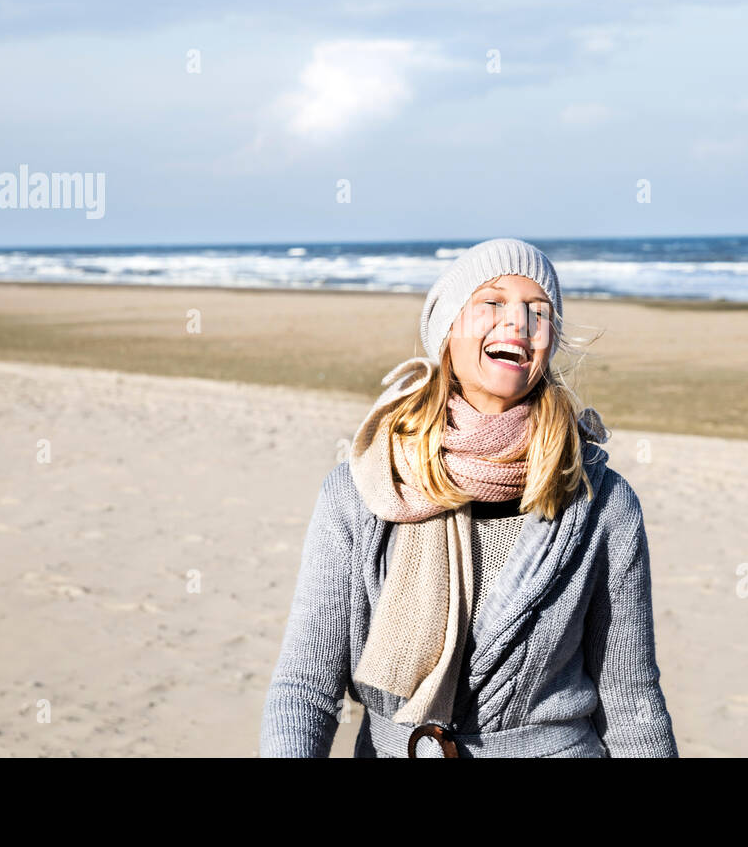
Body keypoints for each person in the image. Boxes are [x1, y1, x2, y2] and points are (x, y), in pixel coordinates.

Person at [259, 237, 678, 757]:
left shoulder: (601, 501)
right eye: (493, 303)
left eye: (538, 312)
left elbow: (630, 699)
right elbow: (306, 686)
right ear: (448, 328)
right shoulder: (361, 490)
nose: (519, 324)